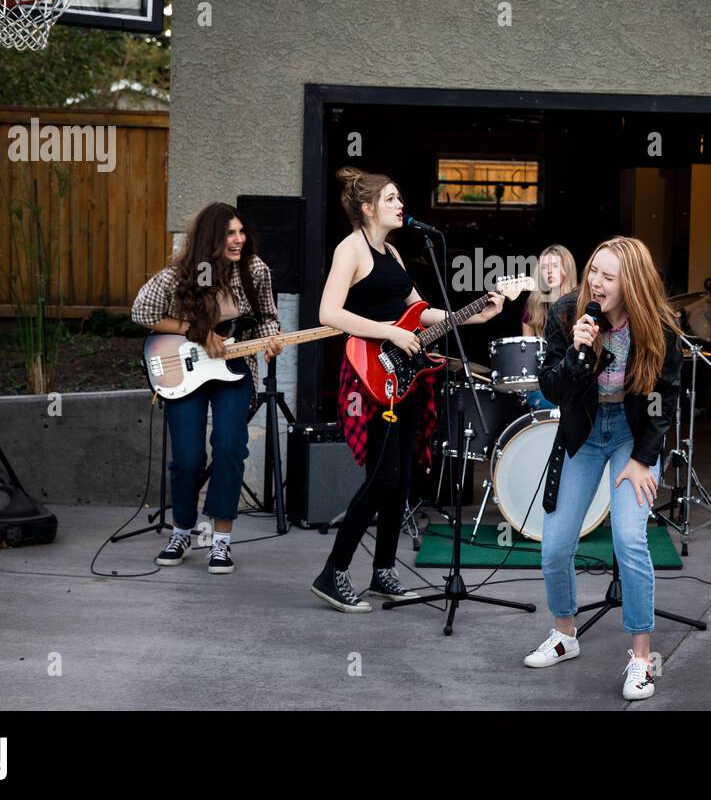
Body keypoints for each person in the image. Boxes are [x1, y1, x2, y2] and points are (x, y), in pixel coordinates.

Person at [311, 167, 504, 612]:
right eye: (392, 198)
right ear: (368, 208)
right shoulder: (351, 248)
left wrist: (475, 313)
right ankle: (333, 572)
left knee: (401, 481)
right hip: (369, 374)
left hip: (405, 376)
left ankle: (383, 573)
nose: (401, 205)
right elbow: (328, 312)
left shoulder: (393, 254)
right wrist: (389, 333)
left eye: (400, 198)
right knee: (382, 477)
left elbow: (419, 313)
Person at [523, 236, 682, 701]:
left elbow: (663, 399)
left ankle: (639, 660)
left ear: (631, 283)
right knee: (554, 546)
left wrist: (642, 460)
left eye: (608, 277)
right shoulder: (567, 313)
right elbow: (552, 389)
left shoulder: (659, 325)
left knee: (629, 540)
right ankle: (564, 634)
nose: (596, 282)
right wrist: (576, 354)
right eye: (594, 271)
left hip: (631, 431)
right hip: (585, 429)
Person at [131, 202, 283, 574]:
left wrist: (272, 339)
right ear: (211, 238)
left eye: (241, 232)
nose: (238, 239)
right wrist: (197, 332)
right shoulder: (185, 273)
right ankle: (182, 531)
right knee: (187, 458)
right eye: (230, 233)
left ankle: (221, 541)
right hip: (185, 370)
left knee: (230, 448)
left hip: (234, 366)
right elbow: (142, 312)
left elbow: (266, 317)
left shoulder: (255, 270)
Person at [521, 244, 577, 409]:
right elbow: (526, 352)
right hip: (545, 380)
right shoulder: (532, 307)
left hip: (573, 376)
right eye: (544, 267)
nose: (549, 272)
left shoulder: (579, 301)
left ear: (567, 268)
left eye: (554, 266)